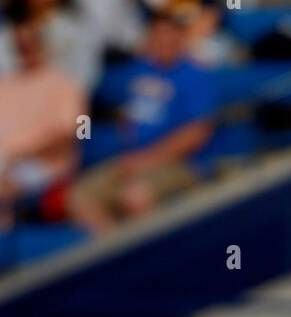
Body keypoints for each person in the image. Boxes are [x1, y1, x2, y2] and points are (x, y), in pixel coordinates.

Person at [68, 8, 215, 232]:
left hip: (178, 164)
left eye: (169, 35)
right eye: (158, 35)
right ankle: (113, 250)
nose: (163, 42)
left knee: (135, 197)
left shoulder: (196, 76)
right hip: (130, 160)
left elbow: (196, 133)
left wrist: (148, 159)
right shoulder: (137, 72)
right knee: (80, 196)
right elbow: (118, 109)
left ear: (180, 38)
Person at [0, 16, 83, 227]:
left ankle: (0, 233)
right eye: (20, 45)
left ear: (43, 44)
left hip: (38, 164)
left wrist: (24, 155)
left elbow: (77, 133)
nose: (25, 49)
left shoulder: (67, 85)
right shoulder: (2, 83)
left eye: (30, 43)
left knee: (10, 178)